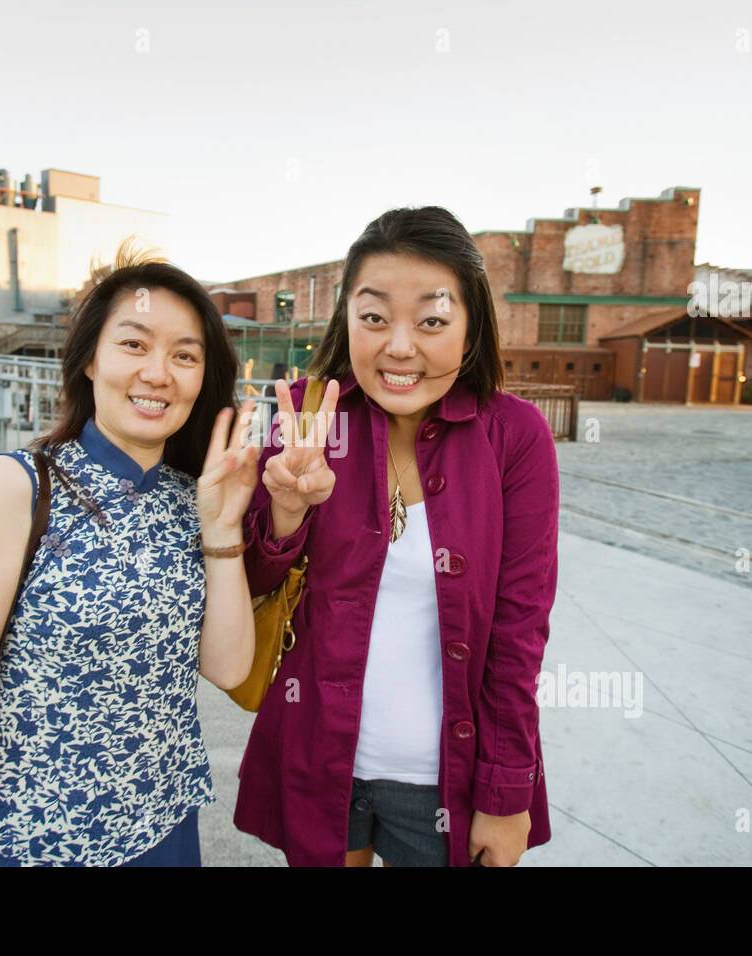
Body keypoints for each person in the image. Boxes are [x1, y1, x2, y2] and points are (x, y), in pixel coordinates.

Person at [0, 240, 261, 866]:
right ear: (90, 360)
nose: (159, 373)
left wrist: (223, 525)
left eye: (185, 355)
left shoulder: (193, 497)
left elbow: (228, 668)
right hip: (39, 841)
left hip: (166, 834)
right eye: (134, 344)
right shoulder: (17, 487)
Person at [234, 206, 560, 867]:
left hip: (447, 782)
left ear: (469, 329)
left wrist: (505, 792)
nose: (400, 346)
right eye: (374, 317)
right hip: (322, 764)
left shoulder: (515, 437)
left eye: (432, 321)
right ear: (346, 318)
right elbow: (249, 592)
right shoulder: (306, 415)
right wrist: (287, 513)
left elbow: (519, 630)